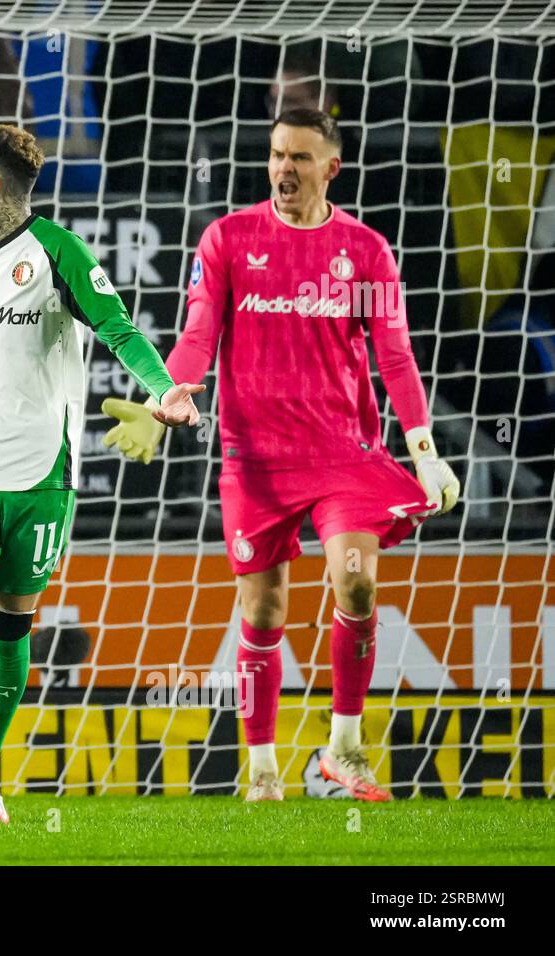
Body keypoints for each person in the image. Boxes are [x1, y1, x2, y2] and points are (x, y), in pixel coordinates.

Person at [103, 108, 460, 803]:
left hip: (342, 456)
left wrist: (424, 453)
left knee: (355, 583)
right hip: (256, 458)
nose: (283, 169)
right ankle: (262, 768)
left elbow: (395, 355)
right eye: (275, 155)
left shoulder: (364, 250)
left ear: (332, 167)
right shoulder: (229, 239)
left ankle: (345, 751)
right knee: (263, 612)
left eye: (299, 157)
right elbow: (198, 335)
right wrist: (161, 400)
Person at [0, 124, 202, 823]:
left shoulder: (59, 253)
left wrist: (163, 388)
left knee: (12, 631)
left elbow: (119, 329)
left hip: (40, 477)